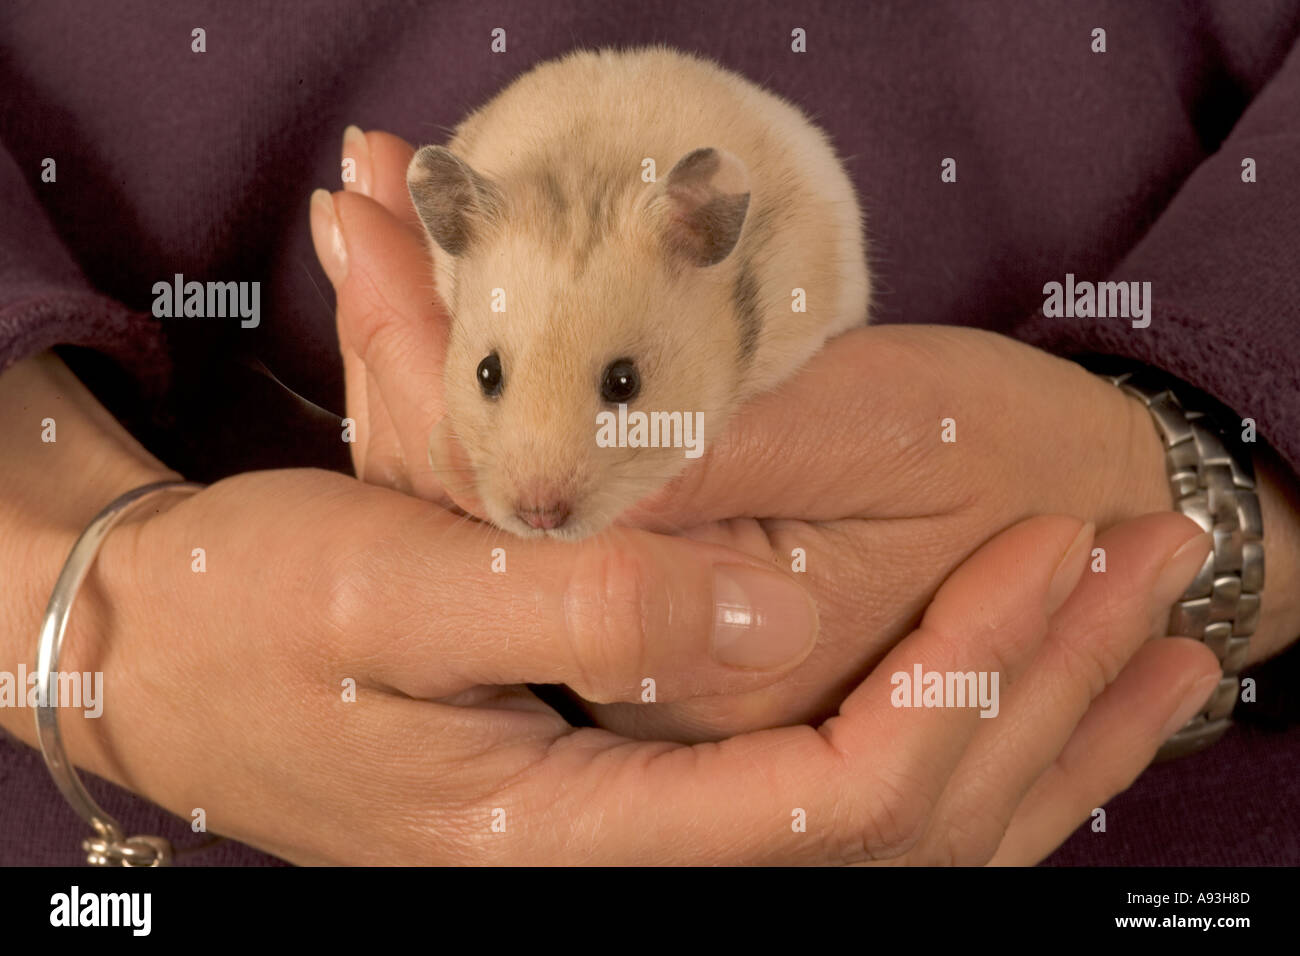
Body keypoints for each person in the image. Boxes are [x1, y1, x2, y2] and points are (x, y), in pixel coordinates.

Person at [1, 1, 1296, 865]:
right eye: (494, 372)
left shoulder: (752, 236)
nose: (541, 496)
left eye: (621, 385)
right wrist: (69, 583)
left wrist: (1219, 482)